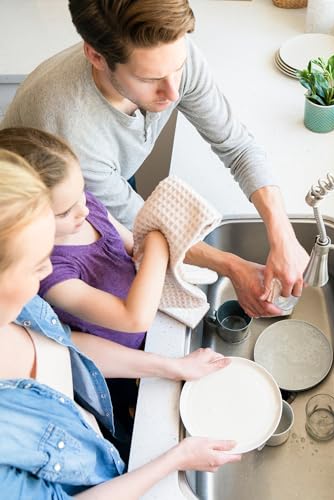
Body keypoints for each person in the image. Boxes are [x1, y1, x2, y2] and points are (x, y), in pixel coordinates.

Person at [1, 0, 309, 316]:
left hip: (104, 177)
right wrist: (231, 266)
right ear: (96, 56)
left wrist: (283, 234)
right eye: (150, 79)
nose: (174, 92)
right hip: (45, 225)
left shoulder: (172, 57)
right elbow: (141, 226)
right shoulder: (73, 134)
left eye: (178, 68)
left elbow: (237, 147)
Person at [0, 126, 281, 460]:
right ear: (27, 220)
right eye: (64, 212)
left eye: (82, 194)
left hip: (154, 332)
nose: (84, 211)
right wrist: (160, 241)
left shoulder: (82, 208)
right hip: (121, 367)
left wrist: (149, 247)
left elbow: (133, 243)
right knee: (136, 422)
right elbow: (133, 317)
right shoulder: (52, 272)